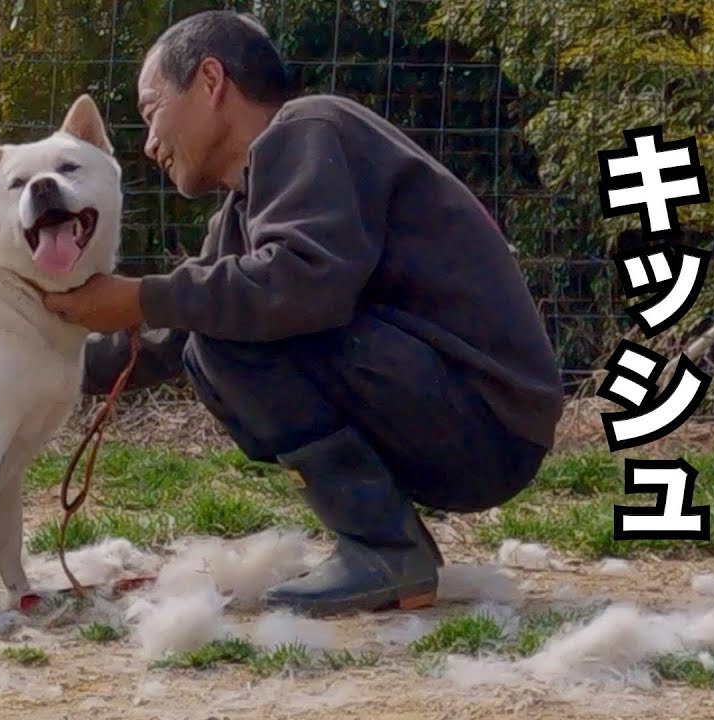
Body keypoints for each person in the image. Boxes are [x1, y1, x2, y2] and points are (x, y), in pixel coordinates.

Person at [42, 9, 564, 617]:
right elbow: (165, 337)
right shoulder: (242, 212)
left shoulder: (310, 128)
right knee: (213, 327)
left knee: (225, 338)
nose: (150, 143)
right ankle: (386, 550)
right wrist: (39, 363)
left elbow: (302, 284)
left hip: (487, 416)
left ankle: (385, 550)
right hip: (457, 417)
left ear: (212, 82)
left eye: (152, 110)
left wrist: (138, 294)